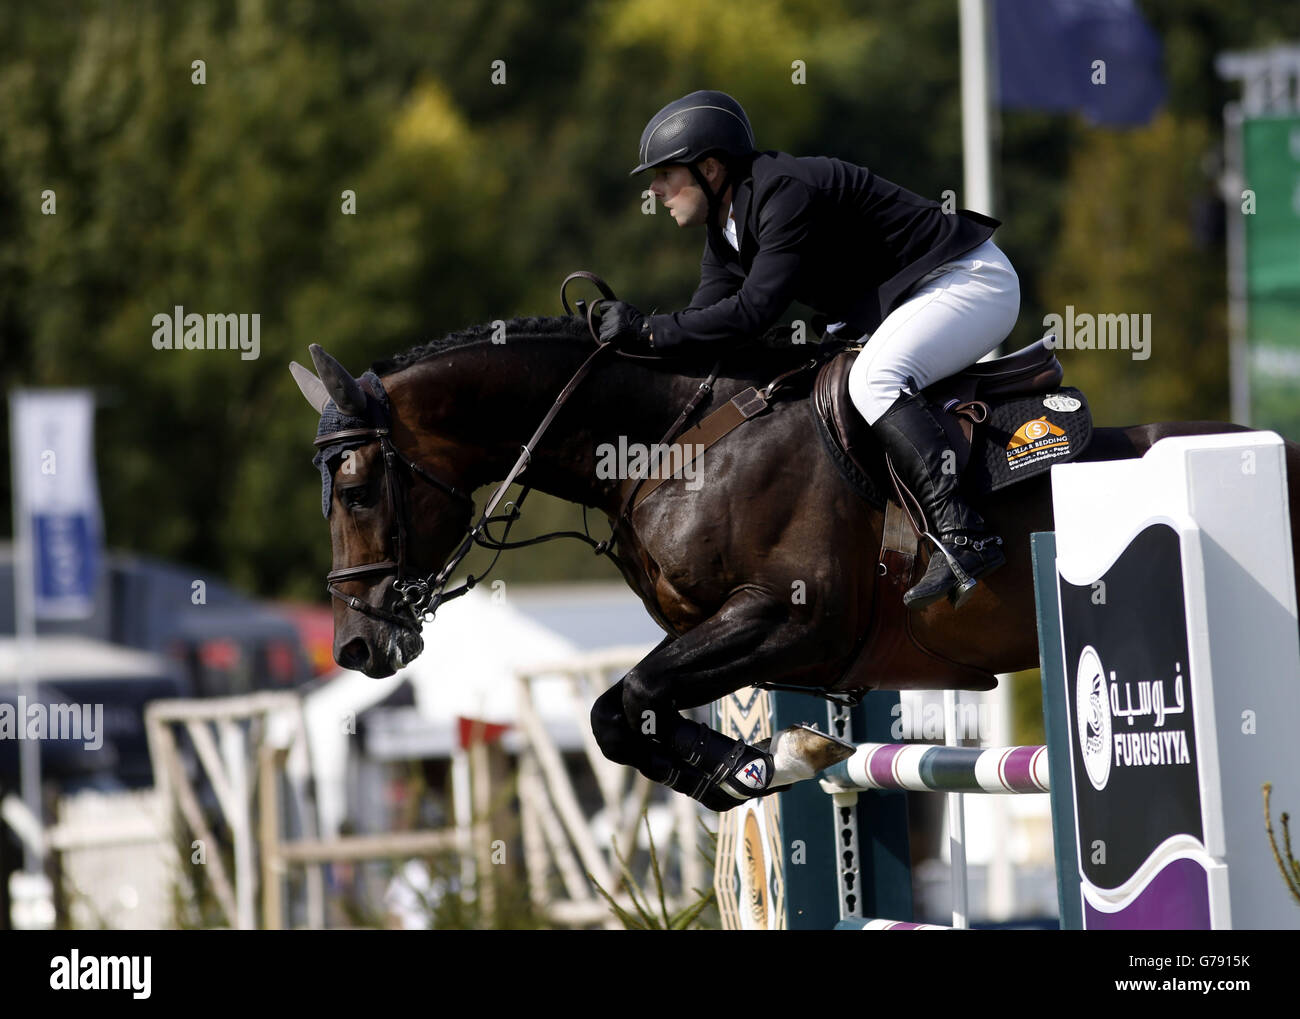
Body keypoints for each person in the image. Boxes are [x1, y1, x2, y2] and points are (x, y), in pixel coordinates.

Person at [600, 90, 1021, 609]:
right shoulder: (726, 230)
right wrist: (627, 349)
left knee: (875, 381)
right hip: (905, 301)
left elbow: (755, 311)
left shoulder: (783, 192)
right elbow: (707, 328)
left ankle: (964, 535)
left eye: (665, 173)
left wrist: (647, 330)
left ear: (709, 168)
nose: (656, 189)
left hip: (967, 281)